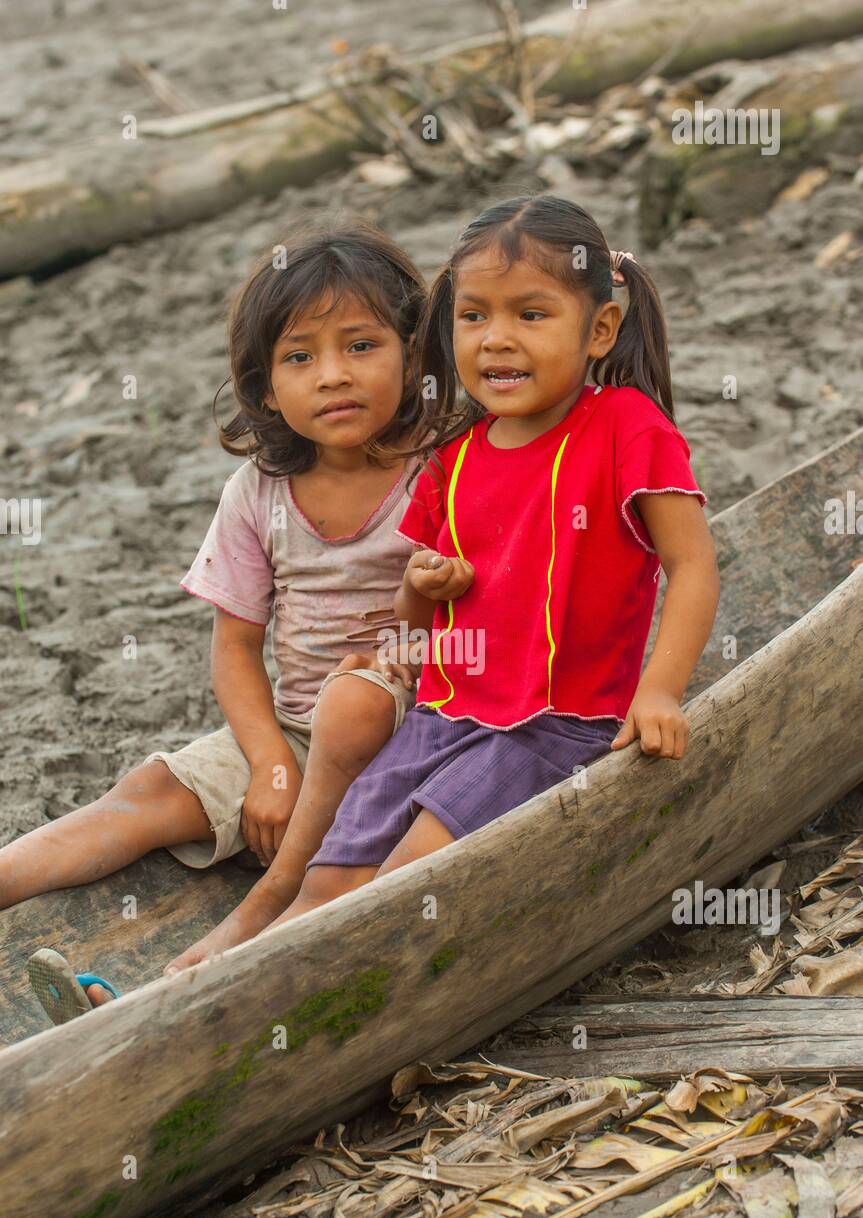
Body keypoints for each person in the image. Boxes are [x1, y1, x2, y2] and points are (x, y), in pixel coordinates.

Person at [260, 194, 721, 931]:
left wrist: (660, 692)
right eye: (473, 316)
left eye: (529, 315)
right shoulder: (453, 458)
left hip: (551, 728)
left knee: (407, 880)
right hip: (439, 719)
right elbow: (416, 627)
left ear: (599, 327)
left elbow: (691, 564)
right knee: (328, 885)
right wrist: (422, 584)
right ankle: (188, 1009)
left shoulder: (626, 427)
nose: (495, 340)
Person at [4, 222, 429, 1014]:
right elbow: (235, 650)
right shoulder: (259, 493)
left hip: (418, 737)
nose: (333, 375)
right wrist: (269, 762)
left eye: (361, 345)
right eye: (300, 357)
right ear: (266, 388)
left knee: (356, 835)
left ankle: (187, 986)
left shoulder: (448, 469)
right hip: (298, 734)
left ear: (413, 352)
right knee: (144, 792)